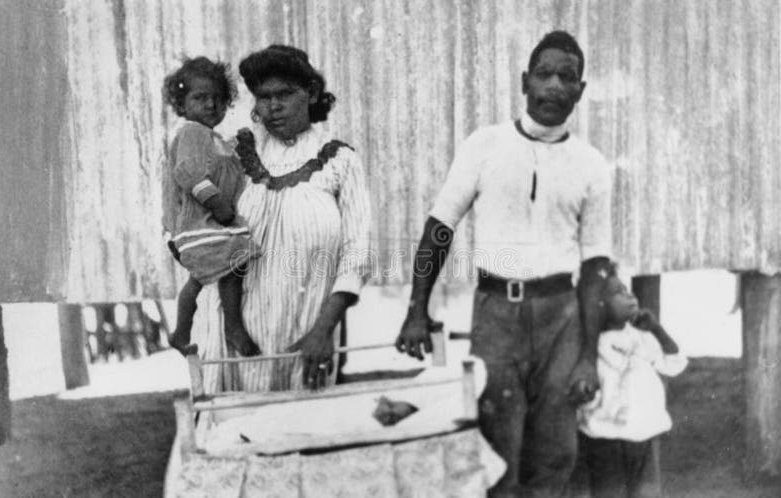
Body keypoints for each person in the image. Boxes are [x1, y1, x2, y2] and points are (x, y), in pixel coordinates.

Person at [395, 31, 613, 497]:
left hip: (562, 316)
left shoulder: (592, 165)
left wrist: (589, 358)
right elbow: (440, 227)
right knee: (496, 448)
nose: (554, 86)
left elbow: (596, 265)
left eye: (567, 77)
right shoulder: (485, 144)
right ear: (524, 81)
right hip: (497, 314)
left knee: (556, 452)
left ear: (580, 90)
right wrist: (416, 311)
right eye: (544, 74)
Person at [188, 45, 372, 392]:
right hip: (238, 330)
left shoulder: (340, 161)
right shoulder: (236, 153)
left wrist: (323, 330)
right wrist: (232, 326)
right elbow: (211, 233)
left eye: (285, 94)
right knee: (235, 429)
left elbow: (356, 254)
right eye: (263, 96)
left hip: (308, 326)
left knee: (302, 430)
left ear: (311, 94)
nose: (273, 106)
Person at [161, 57, 262, 357]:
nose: (211, 105)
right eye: (200, 98)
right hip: (199, 222)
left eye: (218, 99)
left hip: (211, 224)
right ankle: (220, 328)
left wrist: (239, 147)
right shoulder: (191, 132)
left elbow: (222, 166)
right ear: (182, 104)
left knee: (225, 268)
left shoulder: (210, 137)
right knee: (219, 269)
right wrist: (217, 203)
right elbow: (188, 172)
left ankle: (199, 329)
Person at [577, 272, 687, 498]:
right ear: (598, 305)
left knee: (646, 493)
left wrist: (657, 329)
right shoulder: (589, 344)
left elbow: (674, 364)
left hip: (644, 432)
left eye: (628, 290)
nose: (630, 296)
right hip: (605, 437)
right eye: (619, 293)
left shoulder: (642, 336)